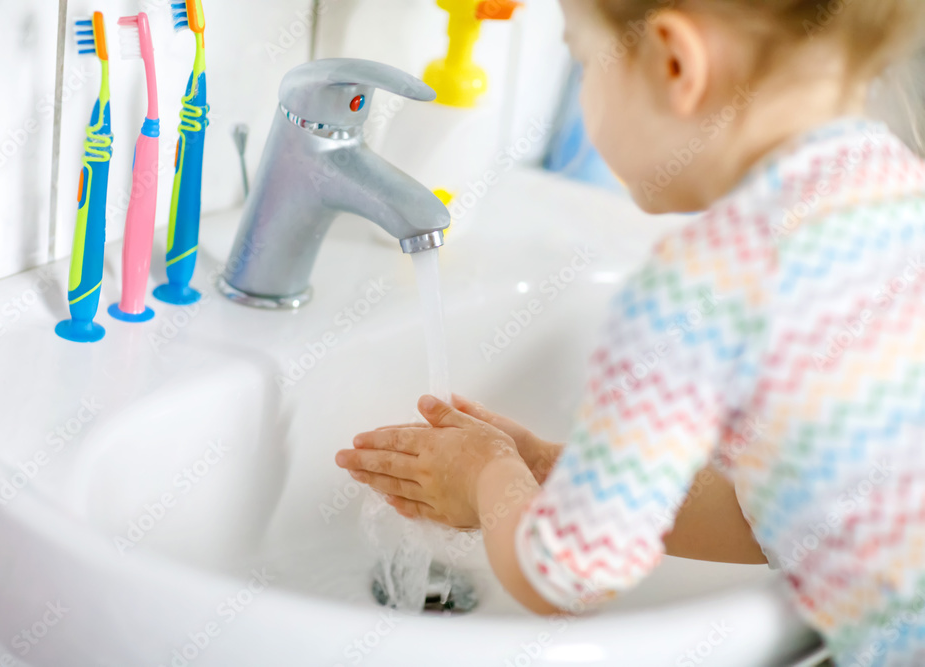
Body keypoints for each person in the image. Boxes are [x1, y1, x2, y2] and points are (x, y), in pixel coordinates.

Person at [335, 1, 925, 663]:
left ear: (675, 62)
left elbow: (568, 575)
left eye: (583, 59)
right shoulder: (898, 191)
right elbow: (801, 510)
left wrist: (485, 479)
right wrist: (549, 471)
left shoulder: (701, 285)